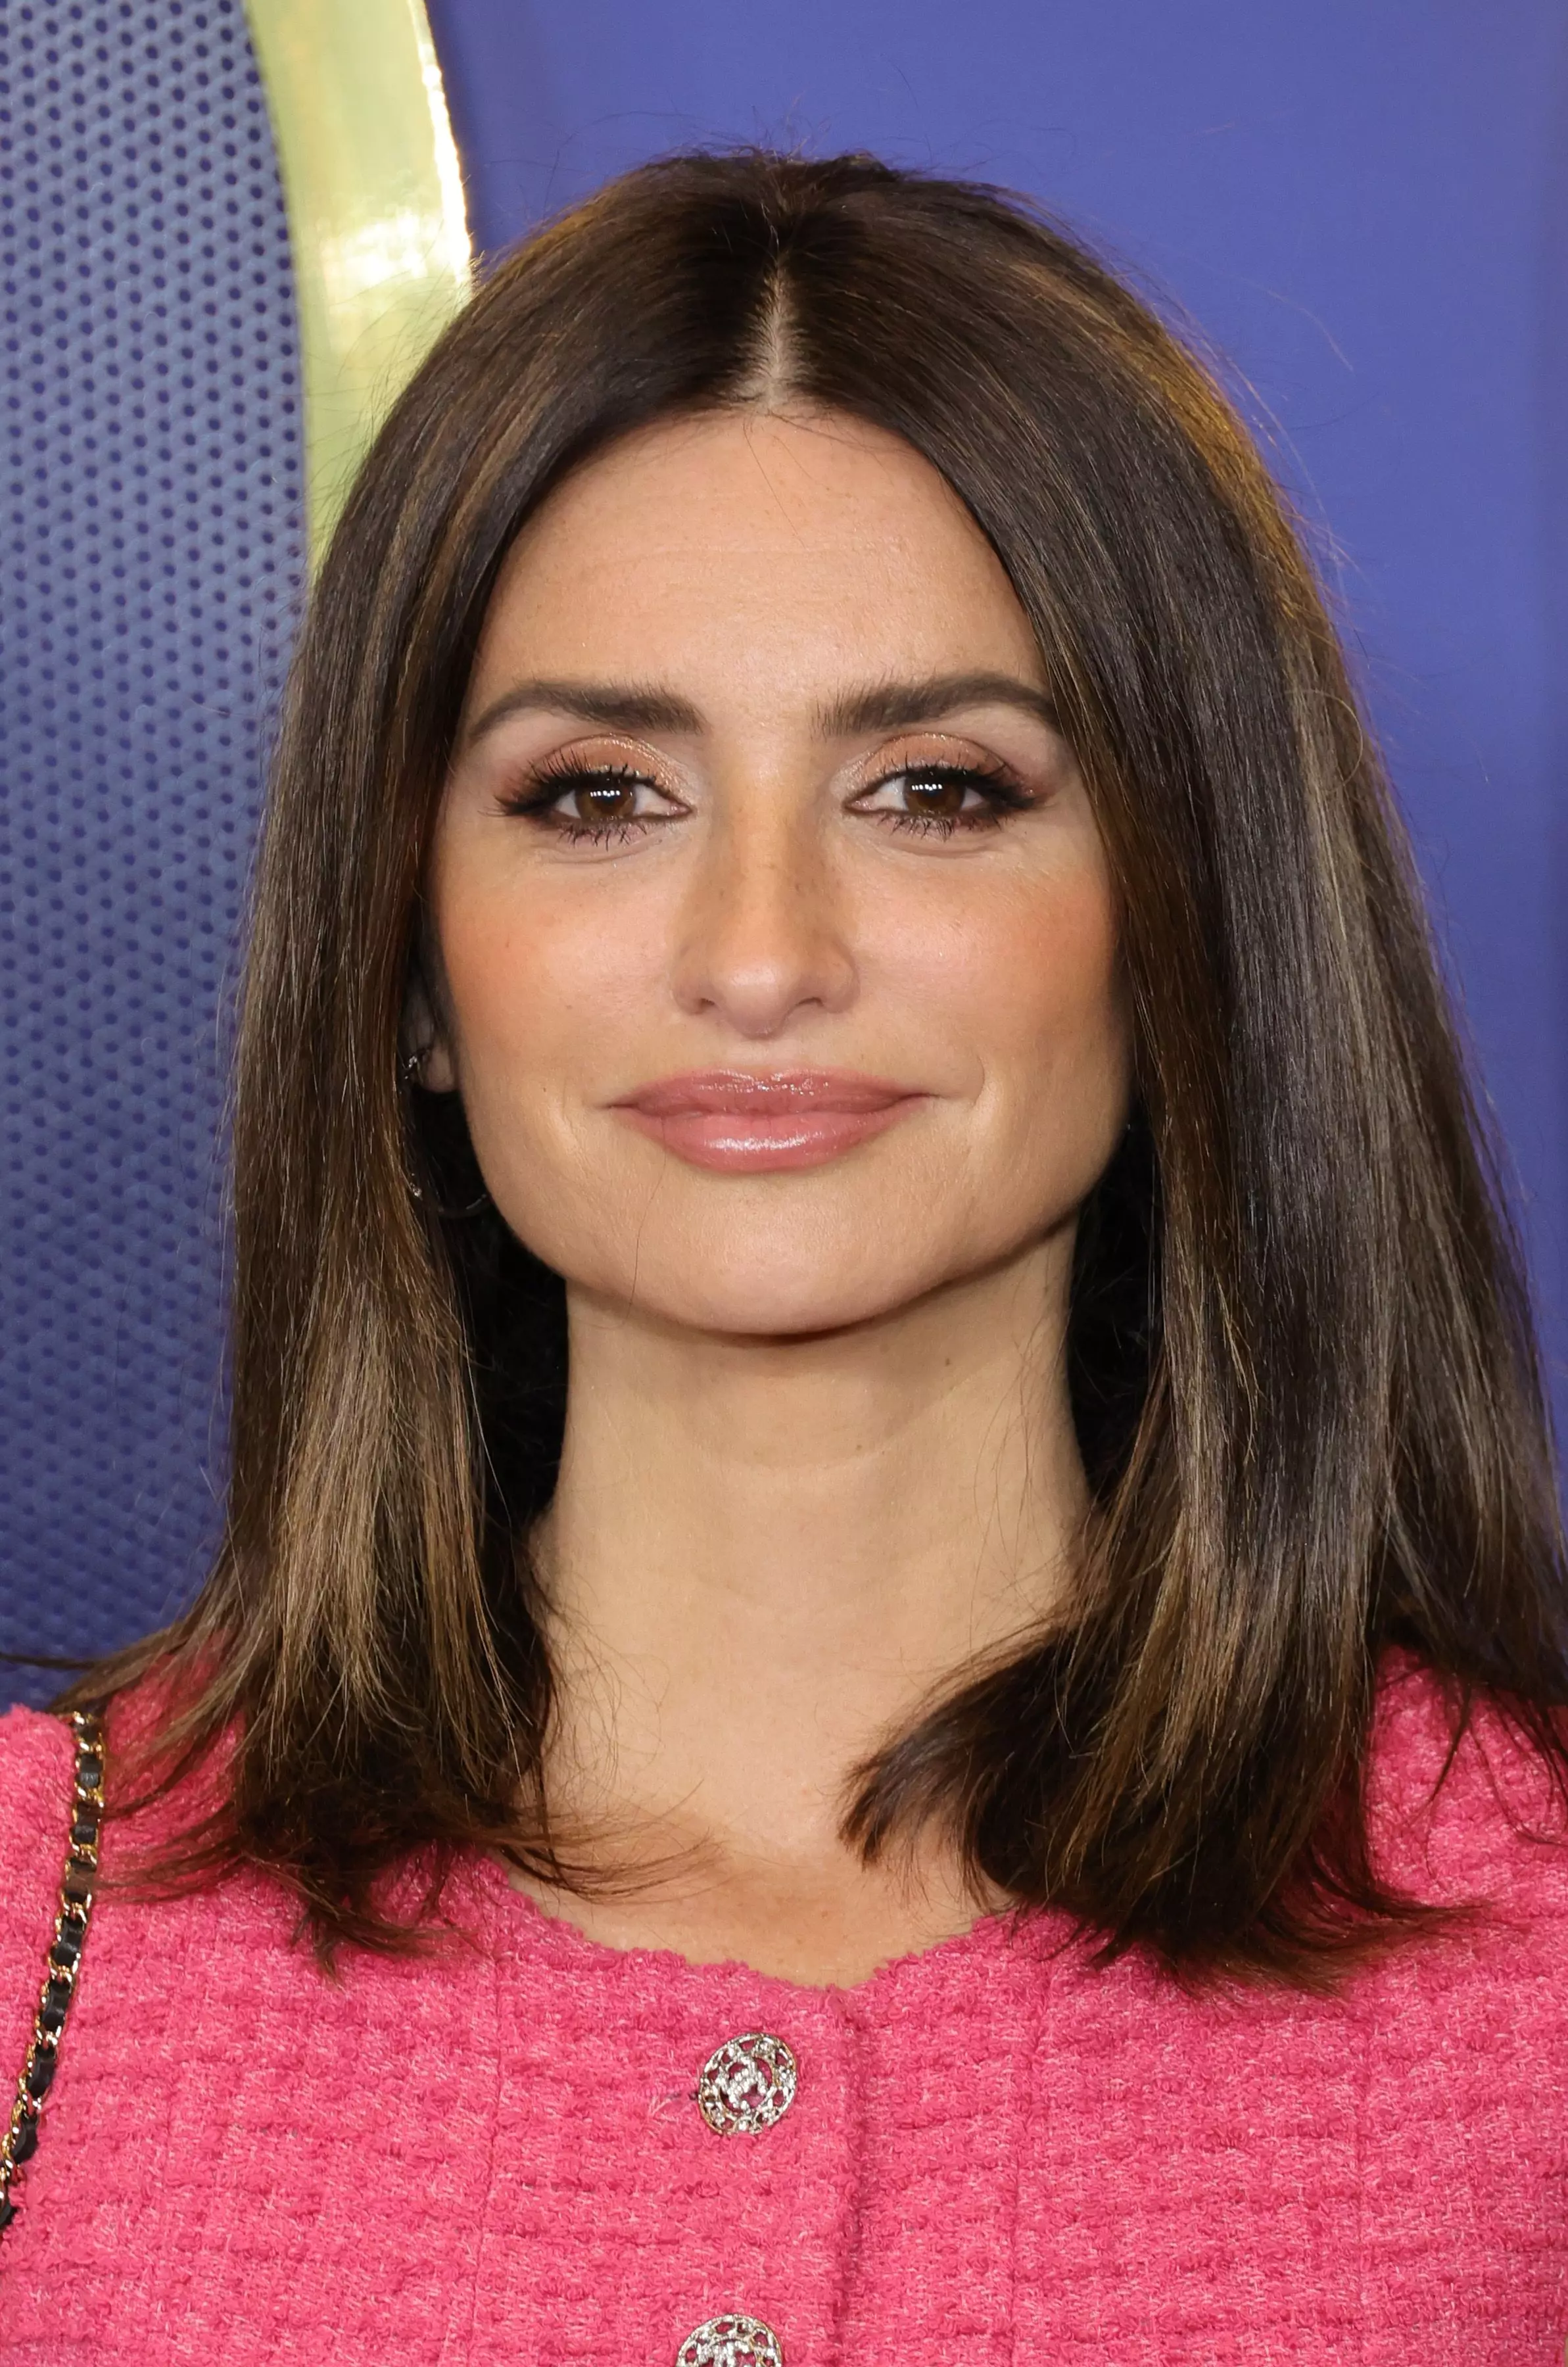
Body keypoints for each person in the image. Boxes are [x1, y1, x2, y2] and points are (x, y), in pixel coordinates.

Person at [1, 148, 1565, 2364]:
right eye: (595, 795)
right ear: (414, 969)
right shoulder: (30, 1943)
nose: (758, 956)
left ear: (1185, 918)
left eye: (934, 787)